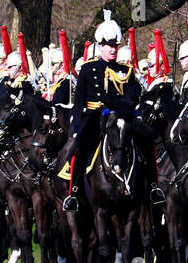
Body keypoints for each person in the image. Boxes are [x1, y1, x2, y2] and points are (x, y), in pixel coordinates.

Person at [59, 13, 160, 212]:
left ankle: (154, 187)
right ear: (101, 47)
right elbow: (78, 102)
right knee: (79, 147)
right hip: (95, 116)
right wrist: (77, 125)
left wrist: (124, 106)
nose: (113, 50)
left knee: (148, 140)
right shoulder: (88, 69)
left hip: (121, 116)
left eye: (115, 46)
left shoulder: (126, 70)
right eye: (109, 46)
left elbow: (133, 95)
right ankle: (73, 192)